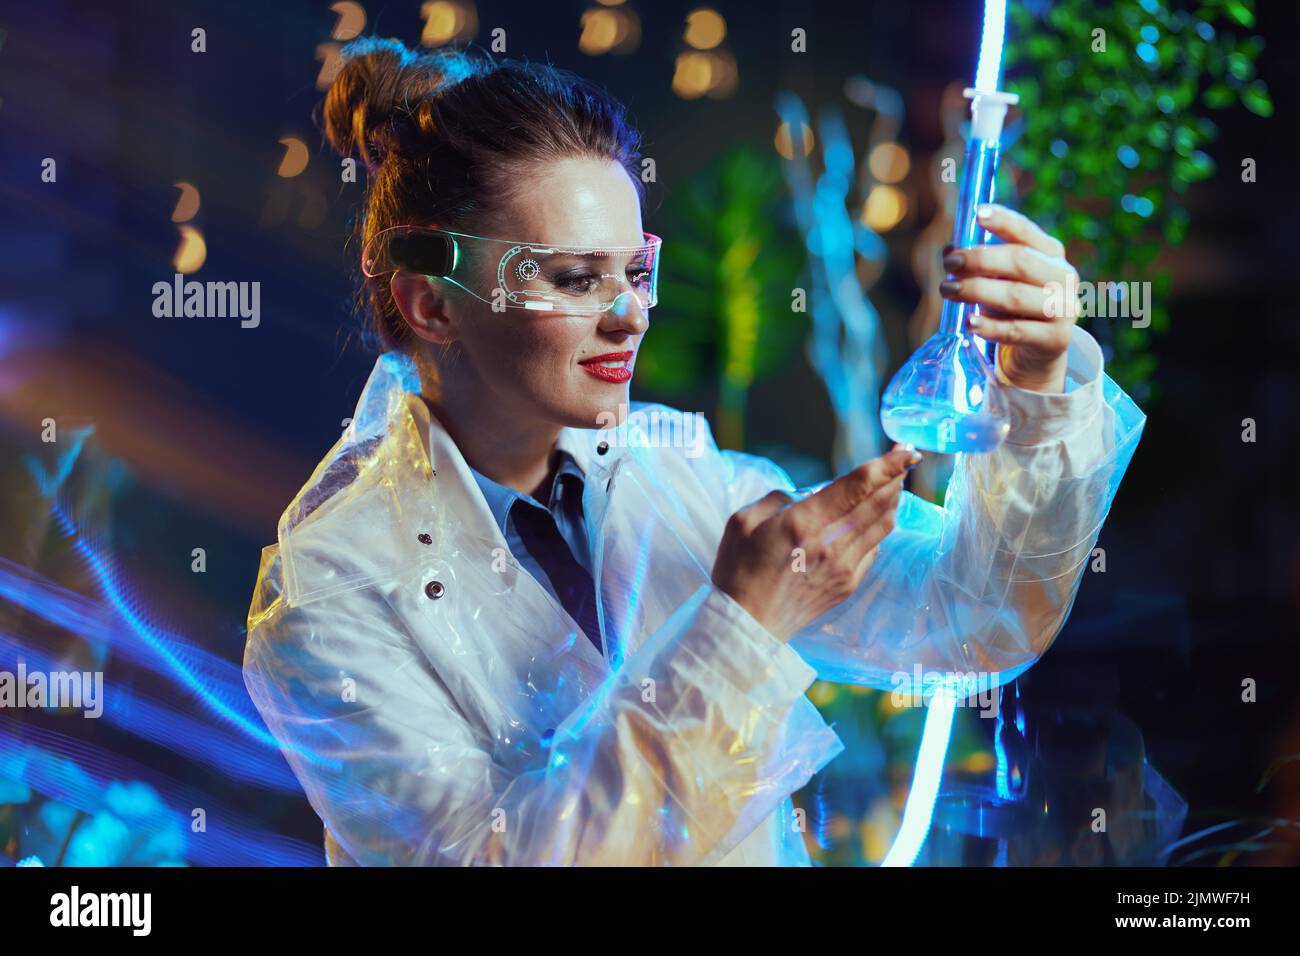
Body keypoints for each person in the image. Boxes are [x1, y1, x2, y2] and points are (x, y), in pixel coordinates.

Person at [243, 37, 1145, 866]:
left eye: (636, 270)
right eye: (573, 277)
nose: (631, 312)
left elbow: (974, 617)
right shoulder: (331, 593)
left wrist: (1038, 385)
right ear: (432, 305)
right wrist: (740, 629)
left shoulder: (688, 478)